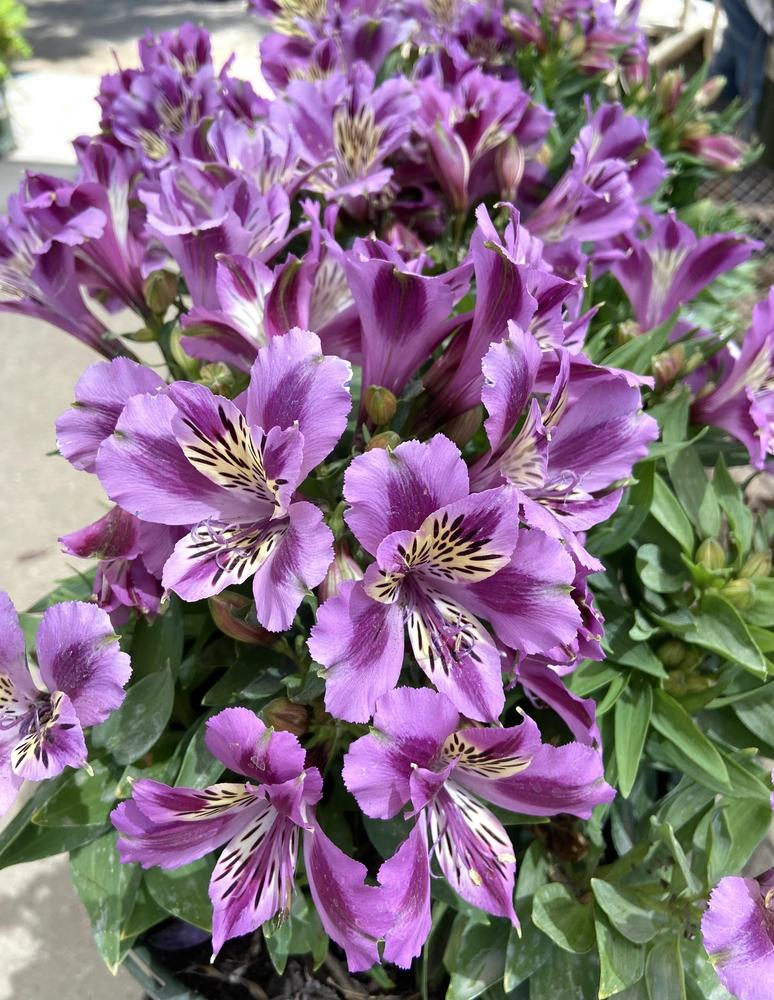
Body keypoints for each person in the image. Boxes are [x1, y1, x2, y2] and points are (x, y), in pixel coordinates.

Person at [711, 0, 774, 136]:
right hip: (754, 16)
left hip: (750, 13)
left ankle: (705, 115)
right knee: (749, 90)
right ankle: (742, 136)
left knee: (727, 67)